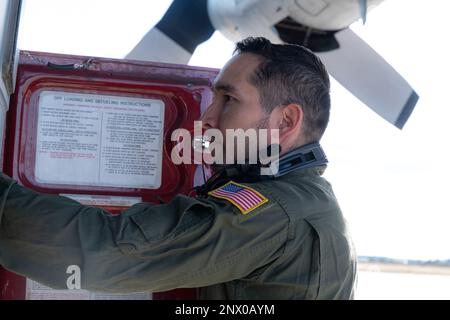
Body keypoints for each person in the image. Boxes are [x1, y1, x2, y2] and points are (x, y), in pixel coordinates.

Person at [0, 37, 356, 299]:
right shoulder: (307, 197)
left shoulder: (272, 212)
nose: (207, 116)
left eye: (228, 100)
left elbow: (109, 249)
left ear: (285, 121)